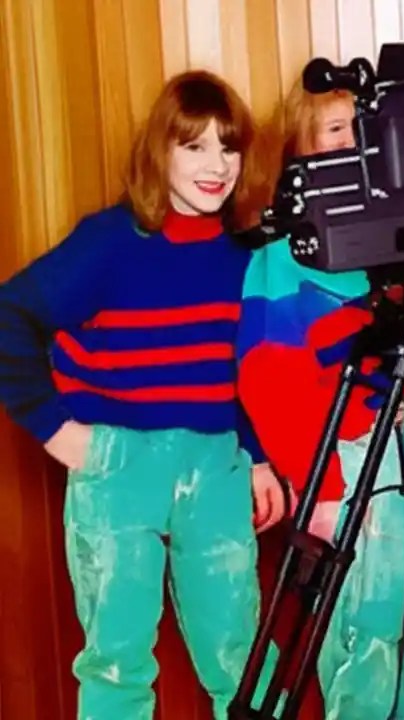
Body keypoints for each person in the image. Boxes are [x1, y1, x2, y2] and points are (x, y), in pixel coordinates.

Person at [0, 70, 284, 720]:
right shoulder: (108, 242)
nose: (215, 165)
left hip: (216, 464)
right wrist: (55, 430)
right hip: (119, 464)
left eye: (228, 147)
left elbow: (244, 369)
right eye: (194, 146)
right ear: (161, 151)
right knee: (117, 658)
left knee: (241, 654)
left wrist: (258, 455)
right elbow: (9, 315)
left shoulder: (245, 251)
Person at [235, 76, 404, 719]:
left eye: (368, 135)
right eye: (336, 133)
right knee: (366, 619)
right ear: (302, 157)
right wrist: (323, 491)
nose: (356, 147)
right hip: (351, 449)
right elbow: (269, 383)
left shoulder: (400, 243)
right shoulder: (282, 257)